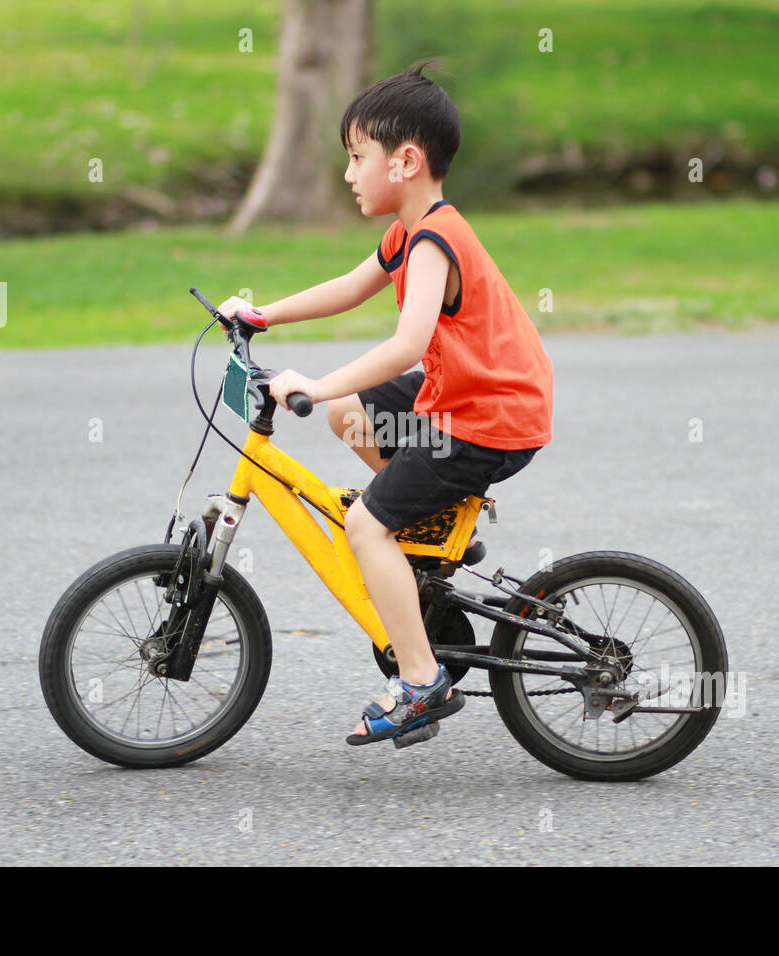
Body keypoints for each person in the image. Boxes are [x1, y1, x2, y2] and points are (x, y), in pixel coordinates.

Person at [217, 60, 553, 746]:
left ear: (405, 161)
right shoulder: (410, 230)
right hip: (467, 396)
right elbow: (350, 285)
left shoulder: (435, 239)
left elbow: (406, 345)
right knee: (352, 412)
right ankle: (423, 531)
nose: (348, 174)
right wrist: (263, 316)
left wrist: (314, 384)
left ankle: (421, 682)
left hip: (490, 418)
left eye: (356, 157)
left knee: (365, 526)